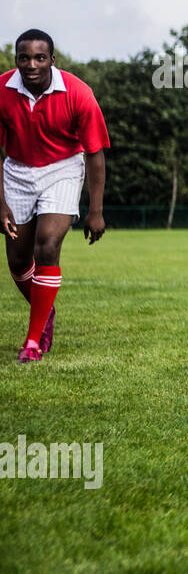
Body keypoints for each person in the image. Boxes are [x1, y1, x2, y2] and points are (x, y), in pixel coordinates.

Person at [0, 29, 110, 363]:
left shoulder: (78, 93)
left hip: (62, 168)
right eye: (24, 57)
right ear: (16, 59)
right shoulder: (2, 89)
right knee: (19, 261)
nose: (31, 64)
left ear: (52, 60)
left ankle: (32, 342)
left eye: (39, 57)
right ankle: (45, 313)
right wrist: (0, 202)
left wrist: (96, 211)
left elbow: (95, 153)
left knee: (47, 244)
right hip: (16, 170)